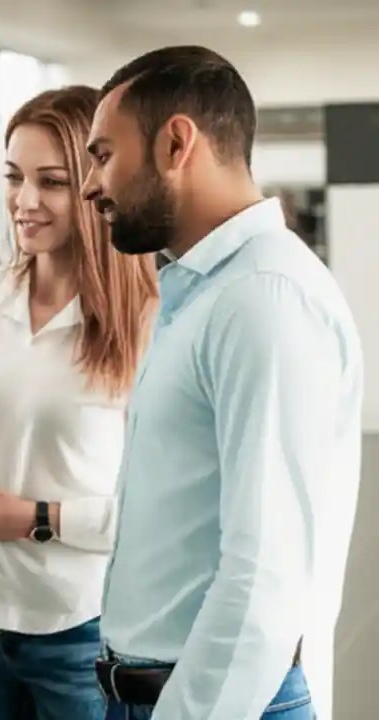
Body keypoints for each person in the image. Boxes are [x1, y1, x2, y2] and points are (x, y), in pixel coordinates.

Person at [81, 45, 363, 720]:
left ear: (177, 142)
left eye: (103, 154)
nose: (93, 184)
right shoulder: (206, 292)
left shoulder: (261, 299)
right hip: (163, 691)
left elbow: (263, 576)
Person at [0, 85, 158, 720]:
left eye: (51, 181)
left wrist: (30, 518)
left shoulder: (150, 321)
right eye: (14, 177)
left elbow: (159, 516)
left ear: (95, 186)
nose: (25, 201)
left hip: (88, 637)